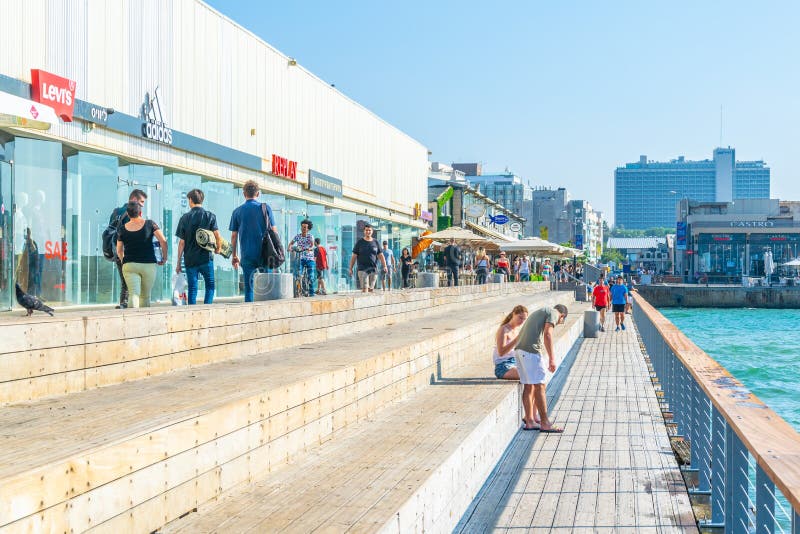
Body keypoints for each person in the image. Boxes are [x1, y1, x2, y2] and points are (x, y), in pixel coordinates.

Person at [515, 304, 568, 433]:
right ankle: (545, 423)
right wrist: (552, 358)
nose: (558, 323)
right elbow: (548, 335)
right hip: (531, 351)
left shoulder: (543, 311)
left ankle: (530, 421)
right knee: (540, 386)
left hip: (519, 350)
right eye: (561, 321)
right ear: (562, 315)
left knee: (529, 386)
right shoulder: (554, 313)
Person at [229, 180, 277, 302]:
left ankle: (249, 315)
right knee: (268, 289)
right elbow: (274, 232)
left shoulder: (237, 211)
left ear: (244, 193)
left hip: (247, 255)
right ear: (258, 194)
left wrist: (234, 255)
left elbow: (234, 236)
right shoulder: (266, 209)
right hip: (265, 254)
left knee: (249, 289)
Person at [115, 201, 167, 308]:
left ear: (128, 214)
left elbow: (119, 250)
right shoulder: (150, 224)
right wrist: (164, 257)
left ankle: (131, 321)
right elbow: (163, 241)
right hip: (148, 265)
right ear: (140, 213)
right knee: (145, 296)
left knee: (133, 294)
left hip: (130, 265)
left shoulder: (122, 229)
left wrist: (123, 260)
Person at [175, 189, 221, 305]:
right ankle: (207, 309)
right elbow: (217, 236)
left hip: (190, 259)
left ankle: (192, 313)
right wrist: (218, 249)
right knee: (210, 286)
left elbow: (181, 243)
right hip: (206, 258)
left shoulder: (184, 218)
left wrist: (178, 263)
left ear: (190, 200)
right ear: (202, 200)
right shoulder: (210, 216)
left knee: (192, 288)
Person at [108, 189, 148, 308]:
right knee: (131, 282)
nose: (142, 205)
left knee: (125, 282)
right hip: (130, 253)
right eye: (141, 201)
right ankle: (127, 306)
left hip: (117, 251)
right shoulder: (132, 213)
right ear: (134, 199)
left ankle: (123, 305)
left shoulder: (116, 212)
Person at [349, 223, 387, 293]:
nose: (368, 232)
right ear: (364, 231)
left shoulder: (375, 242)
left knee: (371, 289)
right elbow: (354, 256)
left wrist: (385, 266)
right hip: (362, 269)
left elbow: (381, 256)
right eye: (366, 230)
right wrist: (350, 268)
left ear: (372, 231)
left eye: (369, 230)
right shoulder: (360, 242)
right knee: (365, 288)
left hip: (373, 269)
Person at [493, 305, 528, 382]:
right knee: (529, 375)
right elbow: (501, 352)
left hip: (515, 363)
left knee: (537, 370)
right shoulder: (503, 329)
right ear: (514, 314)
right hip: (503, 366)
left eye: (524, 319)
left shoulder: (516, 330)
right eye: (520, 318)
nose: (522, 321)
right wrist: (517, 339)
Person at [288, 219, 317, 297]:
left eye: (305, 227)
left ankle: (311, 293)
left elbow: (312, 245)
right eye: (302, 227)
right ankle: (298, 291)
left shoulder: (310, 236)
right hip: (300, 258)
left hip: (309, 258)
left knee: (311, 276)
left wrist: (310, 249)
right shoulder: (298, 236)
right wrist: (289, 247)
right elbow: (291, 243)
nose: (303, 229)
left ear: (308, 229)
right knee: (298, 274)